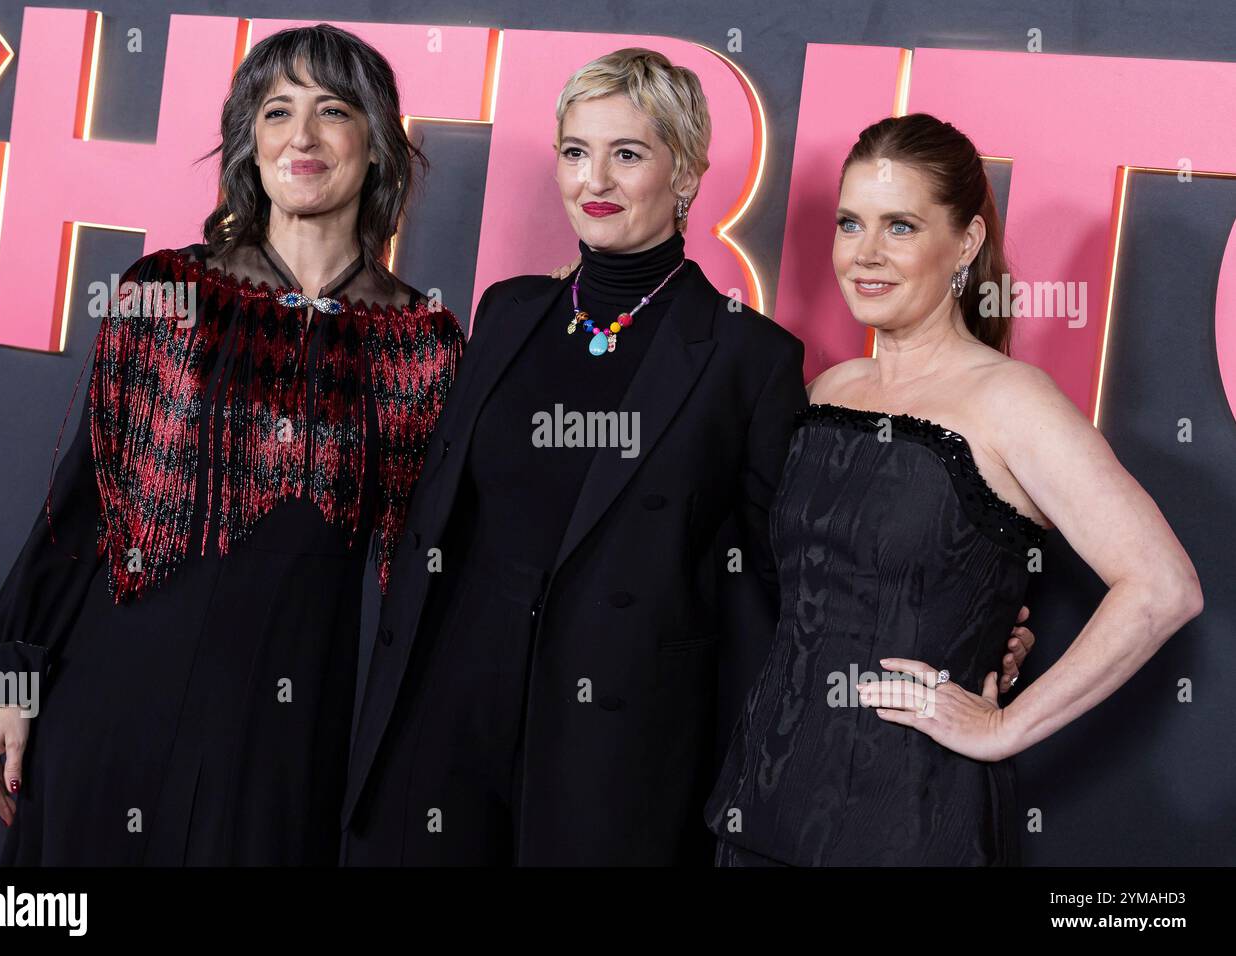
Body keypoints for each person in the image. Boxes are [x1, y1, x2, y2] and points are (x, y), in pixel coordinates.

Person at [340, 53, 1035, 866]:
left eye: (628, 153)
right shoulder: (506, 312)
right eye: (574, 151)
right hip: (445, 729)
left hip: (612, 761)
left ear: (687, 175)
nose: (594, 178)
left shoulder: (749, 359)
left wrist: (973, 624)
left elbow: (789, 577)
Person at [0, 24, 463, 865]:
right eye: (277, 112)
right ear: (251, 141)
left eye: (332, 111)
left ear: (375, 145)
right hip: (114, 694)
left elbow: (429, 563)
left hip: (284, 732)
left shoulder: (425, 340)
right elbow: (81, 499)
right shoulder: (166, 290)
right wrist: (8, 685)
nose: (301, 138)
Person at [704, 113, 1204, 866]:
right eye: (850, 223)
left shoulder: (1012, 401)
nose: (864, 255)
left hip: (907, 823)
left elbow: (1164, 587)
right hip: (758, 806)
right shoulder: (831, 387)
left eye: (900, 227)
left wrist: (1006, 724)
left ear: (965, 243)